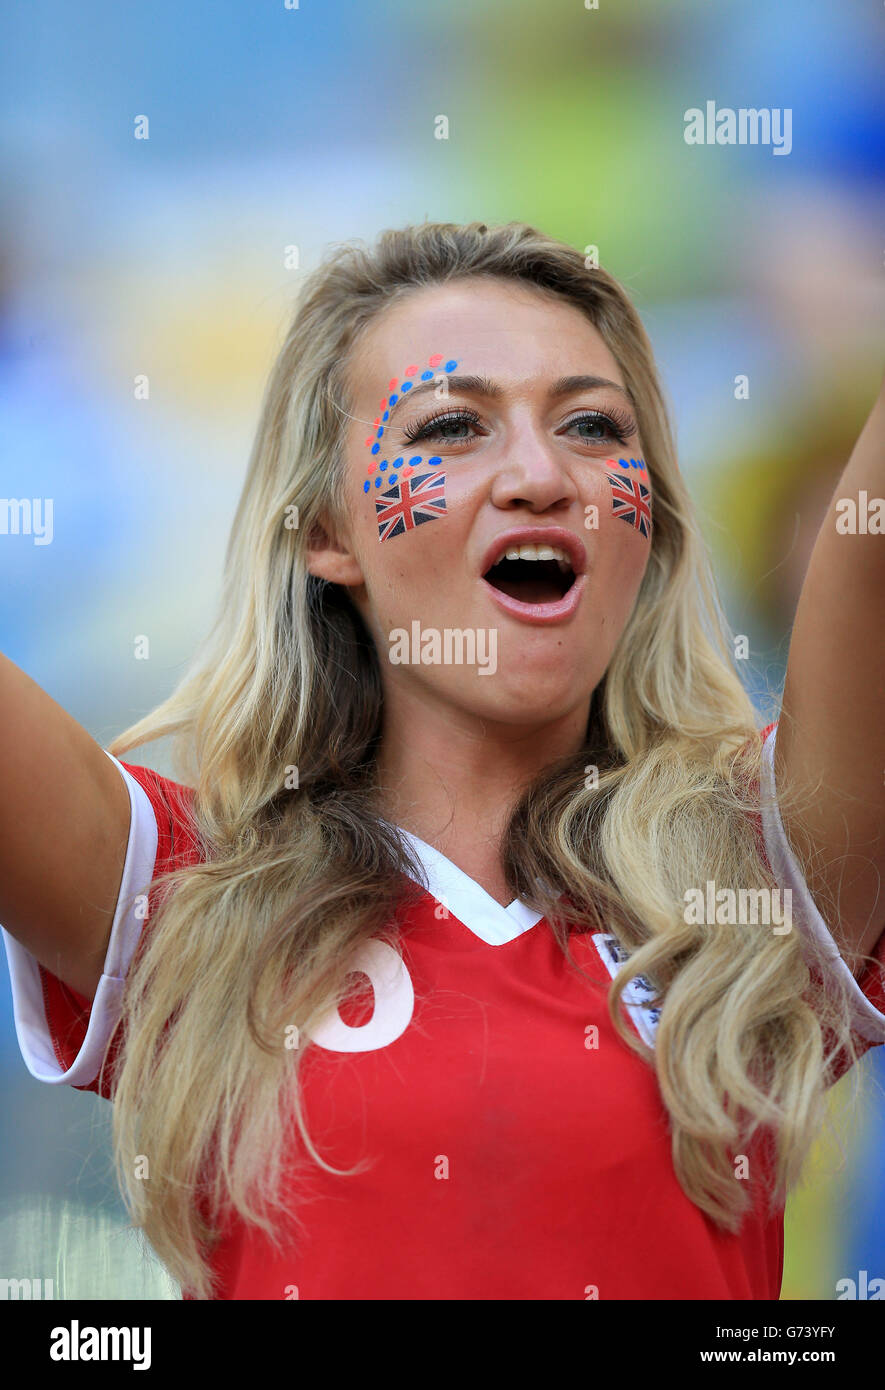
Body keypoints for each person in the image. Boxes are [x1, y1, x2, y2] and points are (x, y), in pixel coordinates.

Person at [2, 221, 883, 1301]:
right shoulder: (182, 887)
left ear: (645, 527)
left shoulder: (749, 872)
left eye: (594, 427)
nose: (539, 473)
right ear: (328, 529)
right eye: (454, 424)